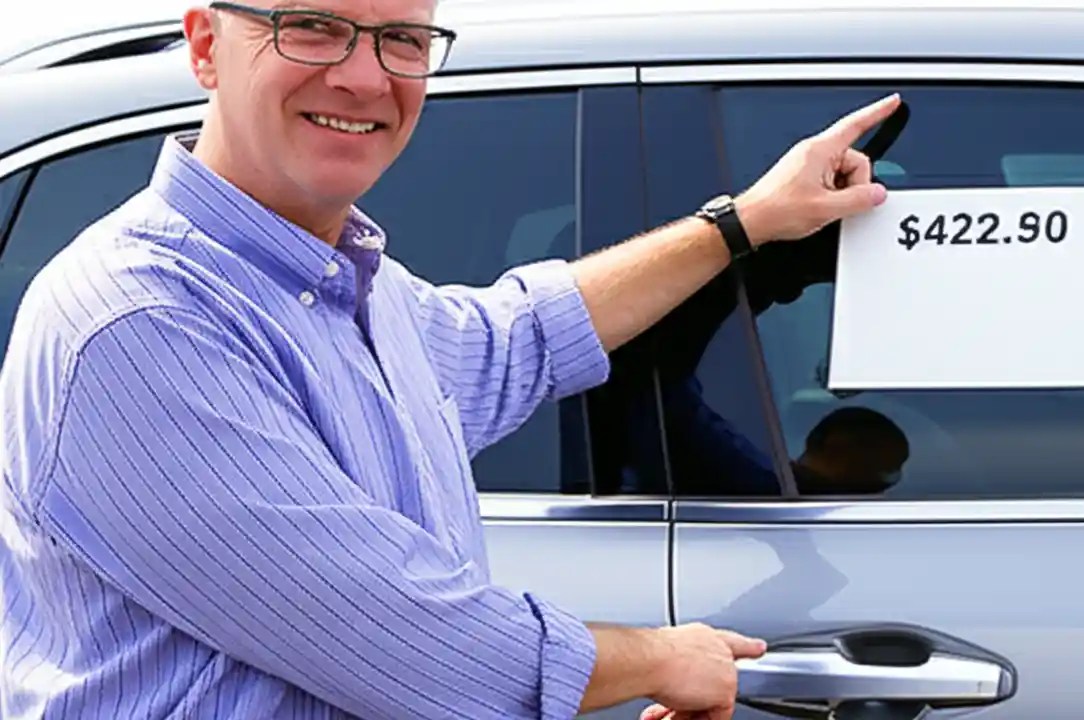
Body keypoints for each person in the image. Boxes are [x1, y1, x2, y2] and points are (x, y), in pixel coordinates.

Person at [0, 0, 901, 718]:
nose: (364, 77)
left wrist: (743, 224)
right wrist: (663, 658)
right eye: (311, 26)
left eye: (402, 38)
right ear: (206, 46)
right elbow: (405, 644)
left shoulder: (357, 288)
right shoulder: (139, 321)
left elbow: (520, 337)